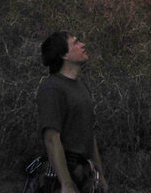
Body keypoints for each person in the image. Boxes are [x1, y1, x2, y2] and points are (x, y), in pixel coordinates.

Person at [38, 31, 109, 193]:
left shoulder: (81, 87)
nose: (82, 45)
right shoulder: (52, 89)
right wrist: (66, 184)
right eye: (76, 43)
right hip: (61, 176)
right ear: (64, 55)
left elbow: (90, 135)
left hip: (84, 172)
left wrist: (100, 176)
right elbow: (51, 138)